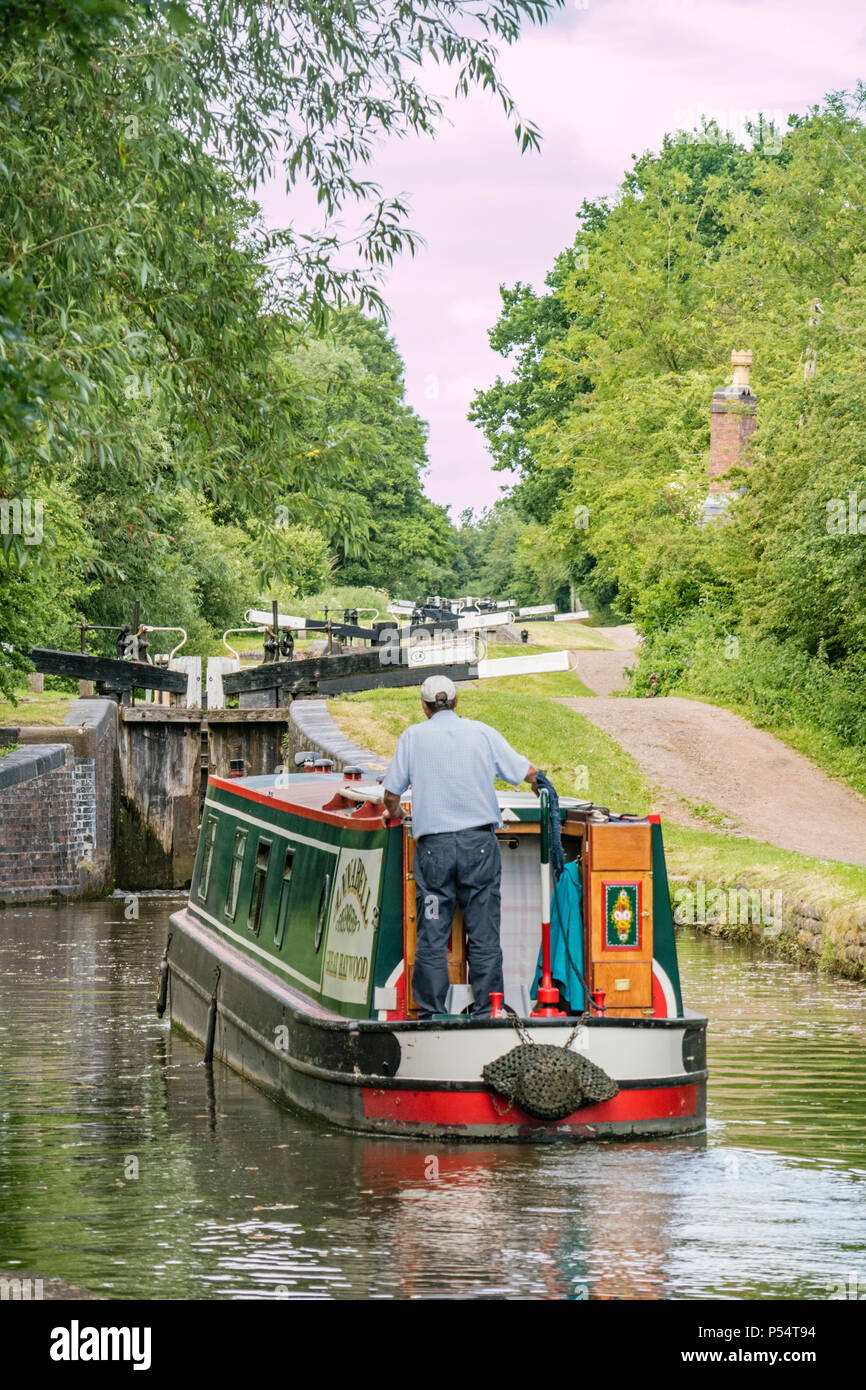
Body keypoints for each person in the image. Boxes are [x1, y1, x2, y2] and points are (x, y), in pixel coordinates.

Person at [382, 674, 540, 1019]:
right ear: (456, 702)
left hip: (434, 852)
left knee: (434, 934)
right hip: (479, 850)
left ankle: (430, 1014)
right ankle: (488, 1012)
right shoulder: (482, 733)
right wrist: (541, 782)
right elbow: (525, 770)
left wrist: (394, 814)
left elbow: (391, 795)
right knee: (483, 934)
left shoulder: (412, 737)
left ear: (424, 707)